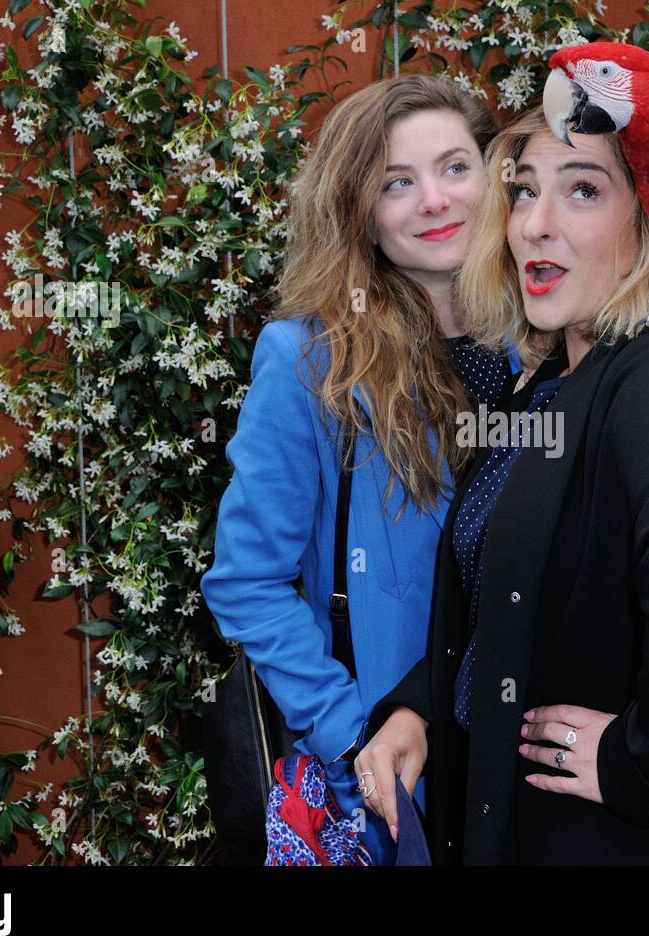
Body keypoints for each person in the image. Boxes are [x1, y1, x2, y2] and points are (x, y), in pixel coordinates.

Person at [356, 107, 649, 864]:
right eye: (523, 193)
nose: (535, 225)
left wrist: (639, 761)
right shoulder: (551, 386)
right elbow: (510, 602)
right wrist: (417, 711)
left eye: (582, 191)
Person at [200, 74, 514, 866]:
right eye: (396, 183)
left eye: (454, 168)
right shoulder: (309, 359)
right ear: (361, 213)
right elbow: (245, 581)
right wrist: (349, 736)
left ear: (495, 177)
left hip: (519, 767)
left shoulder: (548, 348)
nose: (435, 202)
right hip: (388, 778)